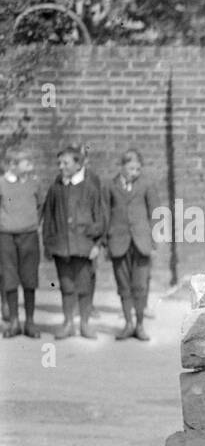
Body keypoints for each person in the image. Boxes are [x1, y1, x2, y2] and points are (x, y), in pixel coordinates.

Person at [40, 145, 106, 340]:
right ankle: (68, 322)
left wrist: (96, 244)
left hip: (84, 248)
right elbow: (49, 218)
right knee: (66, 286)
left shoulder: (90, 189)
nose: (61, 167)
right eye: (59, 163)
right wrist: (48, 243)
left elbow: (101, 219)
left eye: (65, 163)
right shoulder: (56, 188)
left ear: (78, 165)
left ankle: (84, 324)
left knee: (84, 287)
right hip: (62, 248)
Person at [106, 148, 163, 342]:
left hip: (141, 241)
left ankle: (139, 325)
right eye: (131, 168)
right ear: (122, 167)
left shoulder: (146, 185)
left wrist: (154, 241)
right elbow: (105, 214)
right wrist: (106, 243)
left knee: (140, 285)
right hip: (118, 241)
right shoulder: (111, 186)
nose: (135, 172)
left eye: (138, 169)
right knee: (124, 285)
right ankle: (128, 323)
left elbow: (156, 213)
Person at [0, 147, 43, 338]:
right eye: (27, 163)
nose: (31, 165)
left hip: (29, 236)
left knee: (29, 278)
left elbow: (40, 206)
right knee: (9, 278)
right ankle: (14, 322)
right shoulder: (1, 184)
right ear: (12, 165)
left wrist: (32, 224)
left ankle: (30, 322)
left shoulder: (34, 184)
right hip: (6, 237)